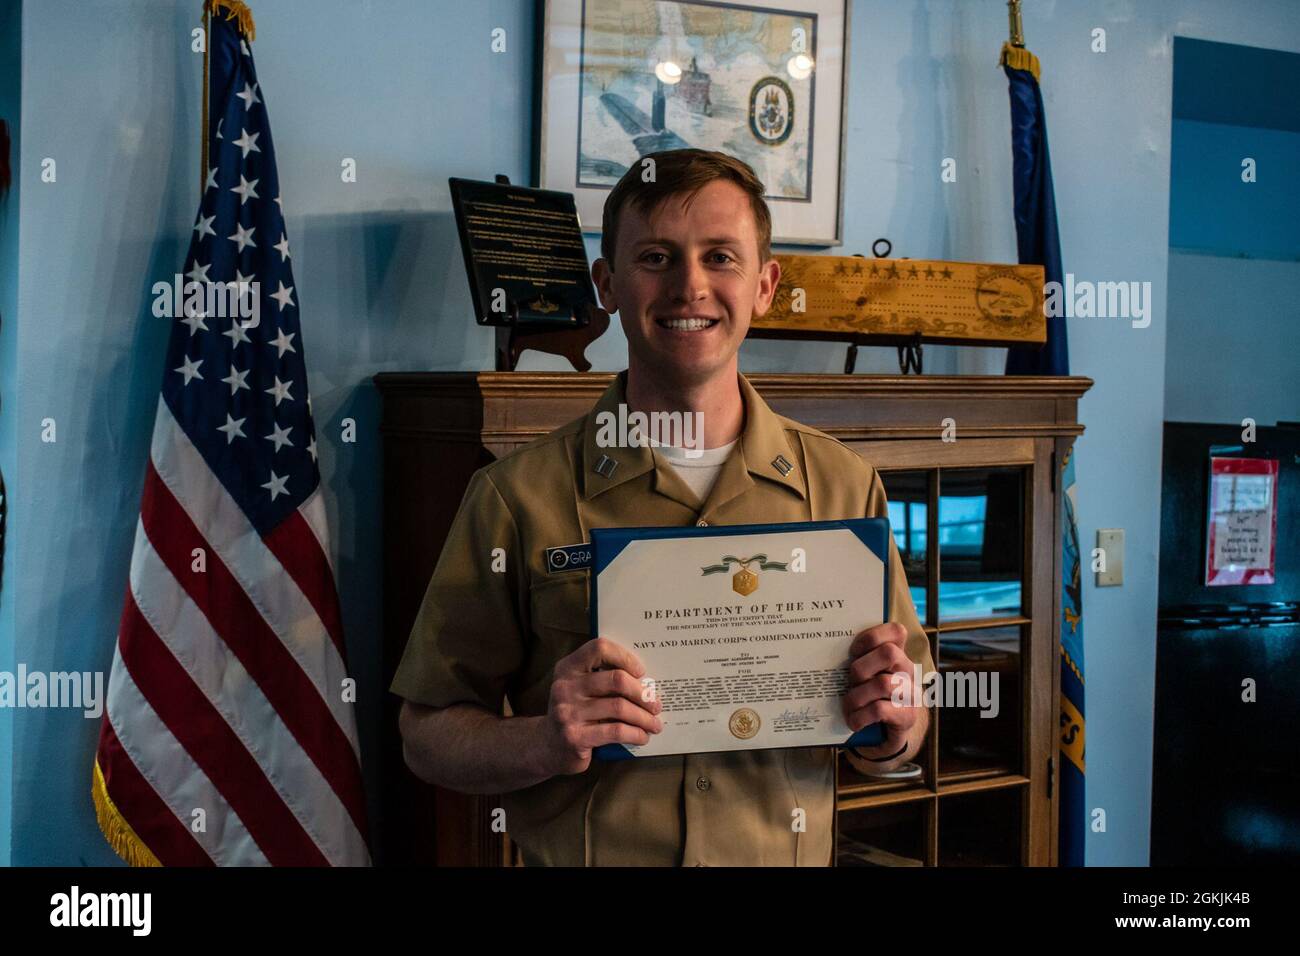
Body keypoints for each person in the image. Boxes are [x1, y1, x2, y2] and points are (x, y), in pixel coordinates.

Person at [393, 148, 933, 866]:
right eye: (656, 257)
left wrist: (896, 723)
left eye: (721, 257)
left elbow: (908, 706)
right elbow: (425, 733)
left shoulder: (844, 485)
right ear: (608, 284)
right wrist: (542, 741)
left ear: (766, 285)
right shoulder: (515, 497)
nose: (690, 287)